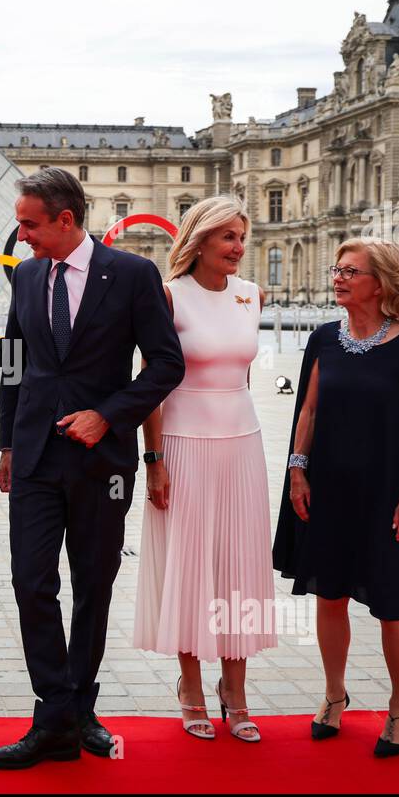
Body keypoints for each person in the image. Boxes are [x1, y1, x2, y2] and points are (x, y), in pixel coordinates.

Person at [0, 168, 184, 769]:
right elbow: (15, 365)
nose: (20, 235)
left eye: (29, 224)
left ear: (65, 220)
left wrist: (107, 415)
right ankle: (59, 711)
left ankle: (75, 710)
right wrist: (7, 445)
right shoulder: (25, 277)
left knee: (92, 586)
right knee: (31, 583)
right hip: (35, 457)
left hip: (103, 459)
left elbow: (165, 365)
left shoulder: (132, 275)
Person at [272, 237, 399, 758]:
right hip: (328, 488)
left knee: (394, 606)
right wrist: (297, 473)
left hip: (389, 495)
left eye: (351, 271)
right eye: (338, 269)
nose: (339, 277)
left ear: (382, 283)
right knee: (330, 596)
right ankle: (333, 695)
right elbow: (306, 412)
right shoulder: (324, 339)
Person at [134, 196, 276, 743]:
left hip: (242, 445)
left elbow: (240, 375)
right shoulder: (170, 296)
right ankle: (191, 687)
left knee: (237, 564)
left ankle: (235, 692)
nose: (239, 248)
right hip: (183, 444)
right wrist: (155, 460)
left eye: (242, 237)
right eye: (228, 238)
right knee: (191, 568)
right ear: (199, 240)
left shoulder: (250, 296)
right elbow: (152, 383)